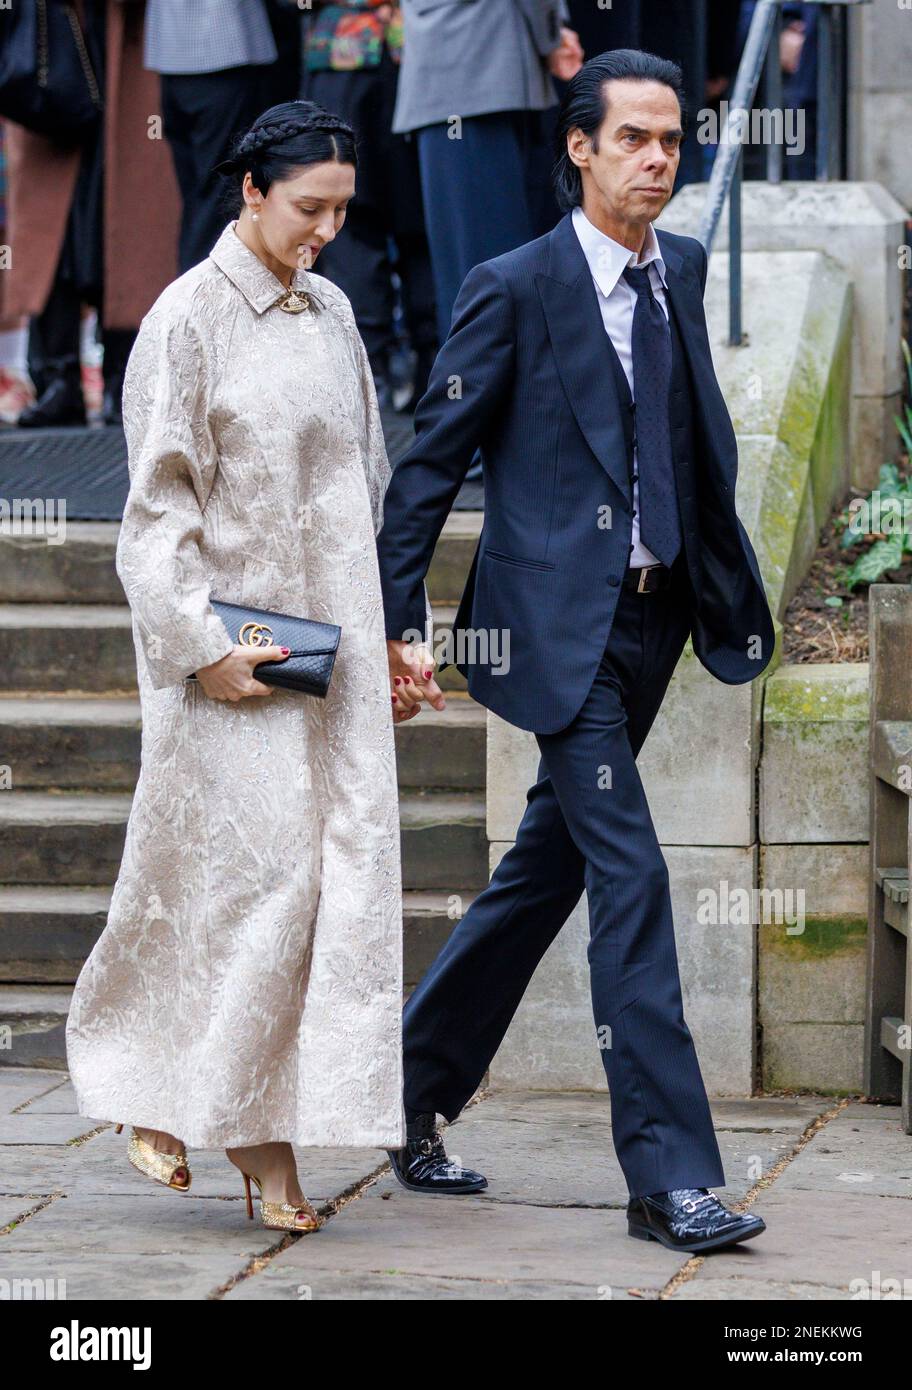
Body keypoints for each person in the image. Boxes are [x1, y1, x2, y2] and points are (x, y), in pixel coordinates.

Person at [375, 49, 775, 1254]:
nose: (659, 159)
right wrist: (404, 620)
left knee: (541, 870)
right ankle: (671, 1179)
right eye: (635, 139)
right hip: (559, 633)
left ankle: (402, 1087)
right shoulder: (511, 286)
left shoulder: (684, 269)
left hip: (656, 620)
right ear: (580, 149)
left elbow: (691, 435)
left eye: (673, 140)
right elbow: (429, 466)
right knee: (632, 875)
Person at [65, 99, 408, 1232]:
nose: (325, 230)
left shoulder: (335, 312)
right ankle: (253, 1147)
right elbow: (155, 509)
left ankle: (192, 1107)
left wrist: (391, 635)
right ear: (251, 192)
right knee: (259, 893)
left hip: (330, 654)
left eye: (342, 212)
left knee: (320, 897)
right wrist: (203, 648)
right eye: (308, 207)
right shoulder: (185, 319)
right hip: (233, 661)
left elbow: (370, 477)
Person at [301, 1, 437, 411]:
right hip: (415, 52)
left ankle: (368, 370)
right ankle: (432, 366)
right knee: (421, 225)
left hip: (345, 55)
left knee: (348, 222)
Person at [143, 0, 280, 273]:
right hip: (225, 49)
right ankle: (201, 296)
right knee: (221, 194)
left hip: (170, 54)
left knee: (198, 193)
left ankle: (190, 291)